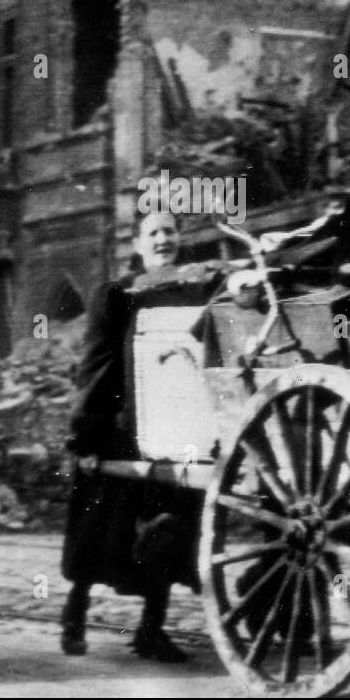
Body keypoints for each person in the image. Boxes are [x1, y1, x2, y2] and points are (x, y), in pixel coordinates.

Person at [59, 211, 205, 663]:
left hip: (178, 427)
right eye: (154, 233)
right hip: (120, 429)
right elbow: (98, 363)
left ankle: (150, 631)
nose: (164, 239)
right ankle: (74, 612)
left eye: (170, 231)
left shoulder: (192, 291)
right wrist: (86, 434)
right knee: (100, 530)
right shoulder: (118, 295)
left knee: (171, 528)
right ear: (138, 243)